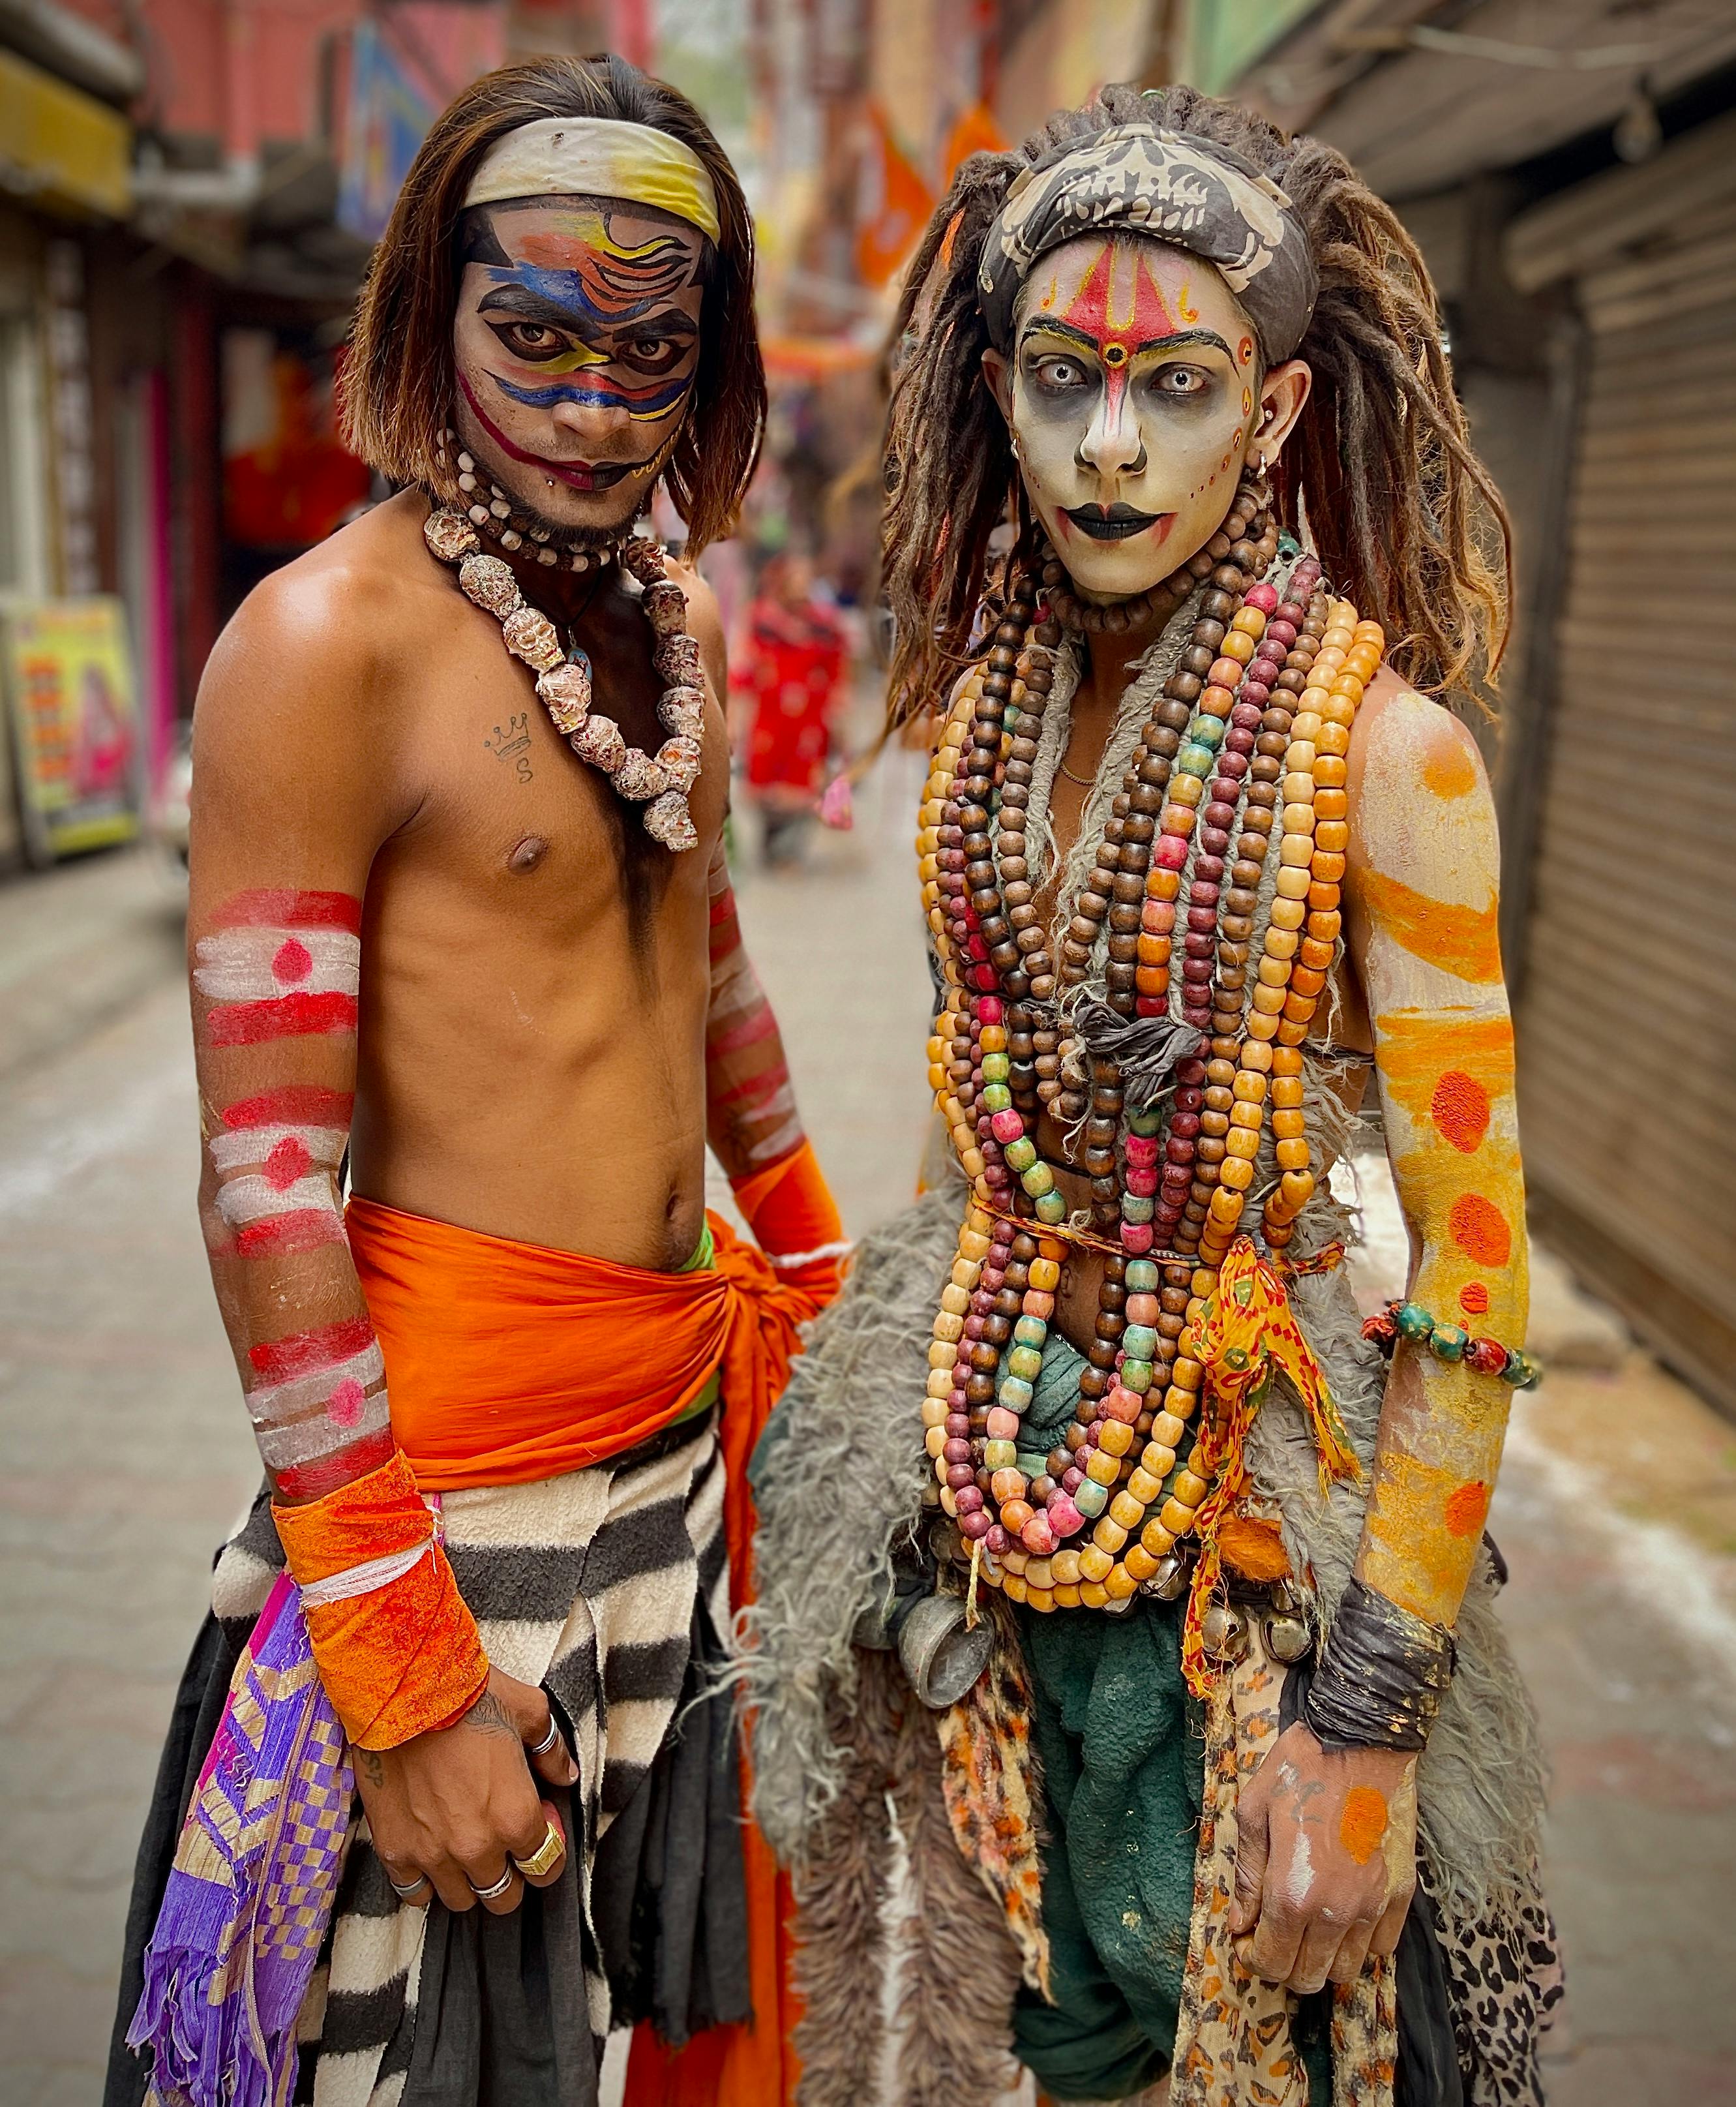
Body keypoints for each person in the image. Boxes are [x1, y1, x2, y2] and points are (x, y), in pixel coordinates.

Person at [743, 83, 1561, 2107]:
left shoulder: (1390, 761)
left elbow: (1472, 1292)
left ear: (1270, 417)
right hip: (993, 1505)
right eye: (1059, 380)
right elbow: (972, 1132)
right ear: (998, 394)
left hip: (1259, 1545)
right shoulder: (978, 722)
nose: (1108, 447)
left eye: (1174, 387)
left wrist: (1365, 1718)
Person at [106, 53, 843, 2107]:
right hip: (441, 1523)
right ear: (430, 316)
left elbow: (714, 996)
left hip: (686, 1474)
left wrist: (835, 1317)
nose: (594, 403)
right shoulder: (315, 646)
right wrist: (401, 1663)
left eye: (647, 351)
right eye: (533, 335)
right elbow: (263, 1183)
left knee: (663, 2027)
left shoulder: (671, 625)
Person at [730, 550, 849, 866]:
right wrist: (730, 717)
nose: (801, 586)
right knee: (767, 789)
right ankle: (769, 846)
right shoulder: (761, 620)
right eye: (795, 580)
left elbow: (838, 672)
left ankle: (789, 853)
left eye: (805, 581)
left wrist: (838, 716)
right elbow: (744, 670)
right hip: (770, 720)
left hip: (809, 722)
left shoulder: (825, 626)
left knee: (802, 786)